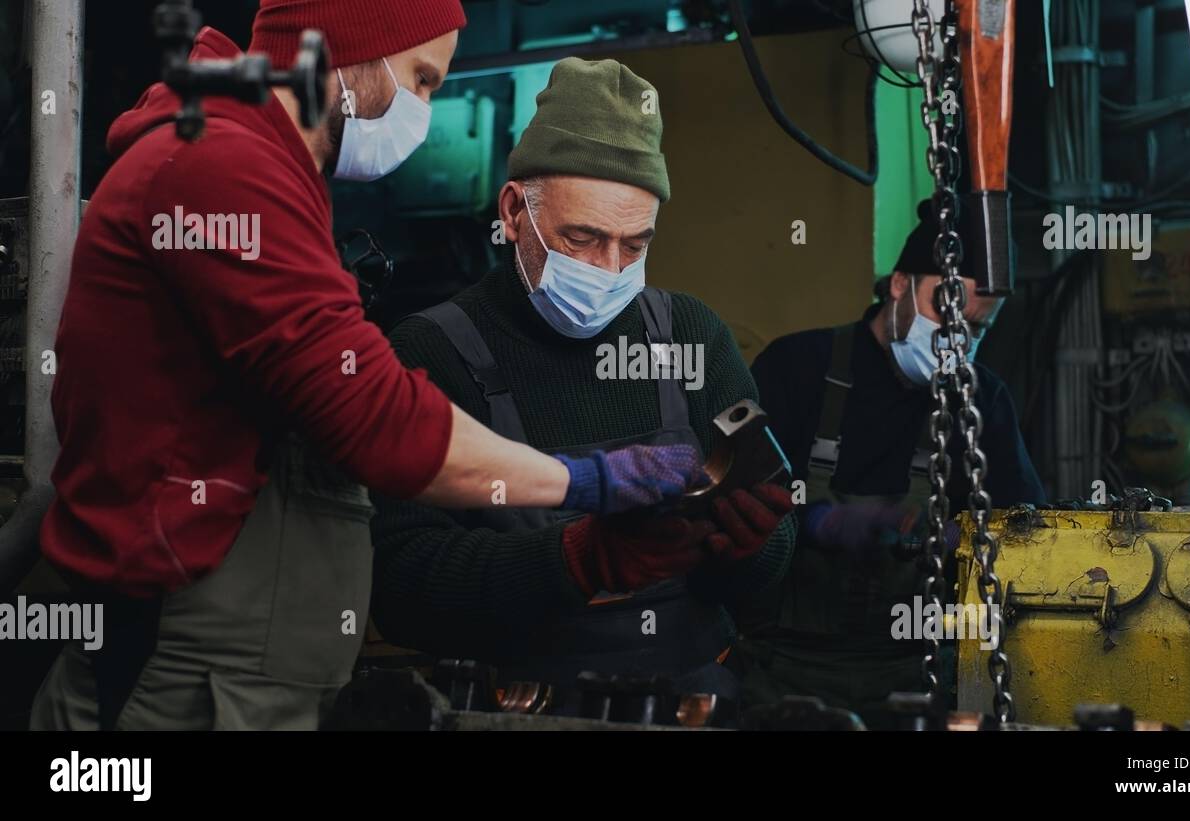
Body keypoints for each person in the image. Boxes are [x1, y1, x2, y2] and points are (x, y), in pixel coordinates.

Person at [30, 1, 700, 731]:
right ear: (343, 52)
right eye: (421, 78)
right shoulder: (221, 168)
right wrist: (588, 481)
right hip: (184, 674)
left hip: (236, 672)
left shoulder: (257, 172)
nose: (423, 107)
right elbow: (373, 419)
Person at [368, 58, 796, 712]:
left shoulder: (692, 335)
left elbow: (769, 585)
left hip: (690, 702)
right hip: (520, 711)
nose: (611, 269)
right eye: (584, 238)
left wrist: (752, 548)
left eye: (635, 243)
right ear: (515, 211)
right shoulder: (428, 352)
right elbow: (398, 588)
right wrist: (573, 562)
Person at [734, 201, 1046, 727]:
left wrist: (954, 536)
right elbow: (732, 502)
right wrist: (813, 518)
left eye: (976, 324)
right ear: (899, 284)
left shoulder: (982, 401)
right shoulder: (797, 366)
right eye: (943, 310)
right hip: (781, 667)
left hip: (913, 673)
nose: (956, 338)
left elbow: (1022, 532)